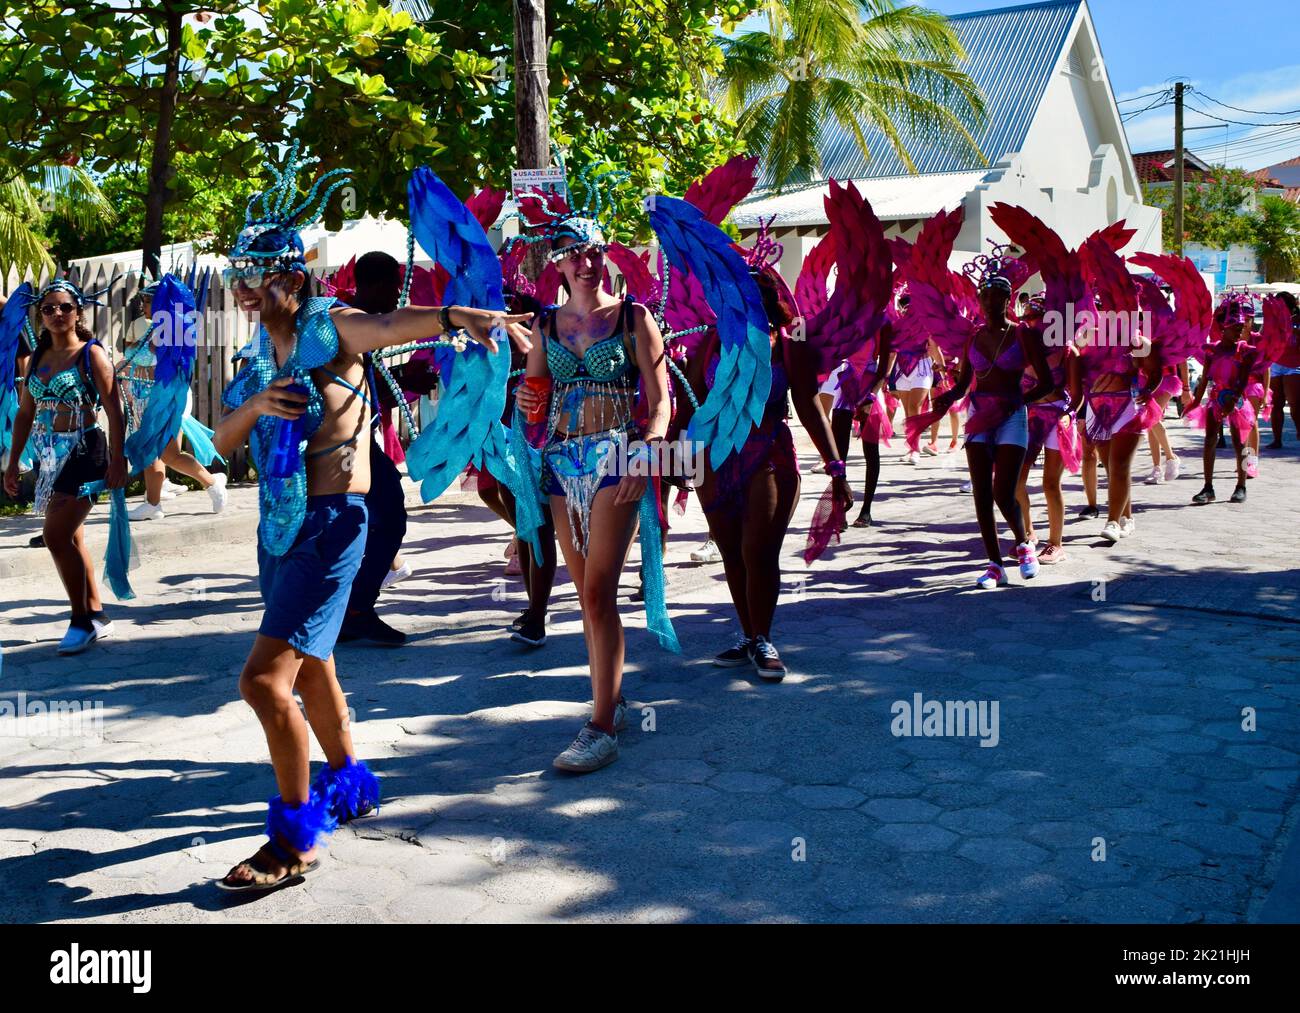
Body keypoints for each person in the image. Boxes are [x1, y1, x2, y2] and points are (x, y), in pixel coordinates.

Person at [213, 146, 531, 890]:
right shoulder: (261, 354)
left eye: (250, 279)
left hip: (333, 525)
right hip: (279, 529)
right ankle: (349, 781)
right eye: (237, 280)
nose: (240, 292)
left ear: (289, 277)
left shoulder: (330, 327)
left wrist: (455, 313)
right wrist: (256, 406)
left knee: (263, 681)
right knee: (314, 661)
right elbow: (224, 438)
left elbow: (394, 325)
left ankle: (294, 838)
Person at [514, 199, 674, 774]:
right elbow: (532, 402)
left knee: (599, 592)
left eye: (593, 251)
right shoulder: (545, 325)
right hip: (561, 465)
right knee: (585, 595)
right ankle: (614, 698)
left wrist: (647, 454)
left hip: (614, 461)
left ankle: (600, 726)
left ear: (605, 255)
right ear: (556, 263)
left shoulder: (634, 318)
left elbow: (661, 405)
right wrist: (523, 410)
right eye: (573, 254)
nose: (585, 263)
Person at [679, 228, 850, 679]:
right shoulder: (713, 341)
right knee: (733, 552)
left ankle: (765, 637)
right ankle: (750, 634)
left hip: (769, 451)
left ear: (767, 298)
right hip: (714, 458)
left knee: (759, 551)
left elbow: (811, 405)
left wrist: (836, 468)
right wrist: (676, 459)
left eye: (753, 292)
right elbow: (690, 402)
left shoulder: (788, 343)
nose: (743, 301)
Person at [3, 280, 128, 653]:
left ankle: (80, 621)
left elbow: (114, 411)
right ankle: (97, 615)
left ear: (78, 312)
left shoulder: (91, 354)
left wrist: (118, 459)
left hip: (86, 451)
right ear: (40, 316)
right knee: (71, 537)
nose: (58, 314)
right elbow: (25, 414)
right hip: (50, 455)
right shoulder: (38, 357)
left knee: (56, 535)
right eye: (49, 309)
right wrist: (12, 465)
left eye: (65, 307)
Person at [334, 251, 411, 647]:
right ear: (377, 285)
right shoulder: (350, 323)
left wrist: (405, 378)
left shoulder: (351, 319)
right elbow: (349, 392)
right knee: (385, 520)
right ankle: (354, 610)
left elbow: (363, 388)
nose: (398, 294)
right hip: (344, 447)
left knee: (376, 521)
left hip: (357, 443)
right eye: (395, 286)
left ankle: (350, 609)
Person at [118, 281, 228, 521]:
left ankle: (212, 483)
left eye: (149, 301)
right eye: (144, 300)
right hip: (145, 398)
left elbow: (166, 364)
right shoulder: (151, 327)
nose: (144, 305)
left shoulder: (174, 331)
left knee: (168, 454)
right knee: (155, 453)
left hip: (167, 399)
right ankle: (153, 503)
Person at [1265, 292, 1300, 448]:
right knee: (1276, 404)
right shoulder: (1272, 321)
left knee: (1295, 403)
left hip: (1294, 364)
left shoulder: (1298, 321)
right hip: (1275, 364)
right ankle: (1277, 439)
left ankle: (1299, 430)